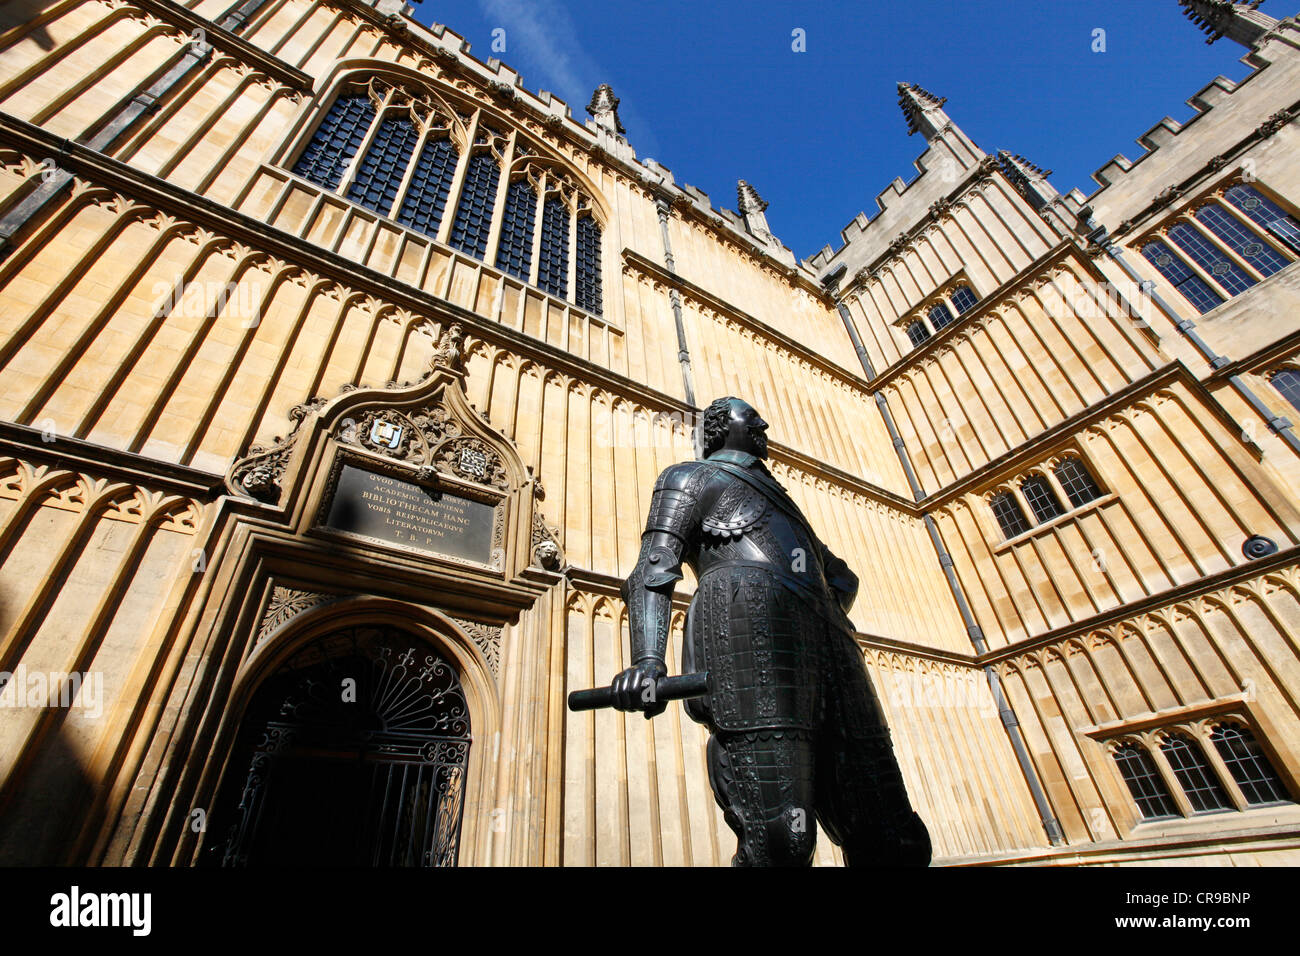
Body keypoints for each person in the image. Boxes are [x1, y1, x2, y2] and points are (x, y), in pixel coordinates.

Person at [610, 396, 931, 866]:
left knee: (893, 837)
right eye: (750, 416)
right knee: (780, 841)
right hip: (752, 653)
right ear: (720, 427)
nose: (763, 422)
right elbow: (654, 570)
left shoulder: (785, 505)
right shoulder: (690, 478)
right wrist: (647, 661)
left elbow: (843, 578)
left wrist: (806, 607)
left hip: (833, 659)